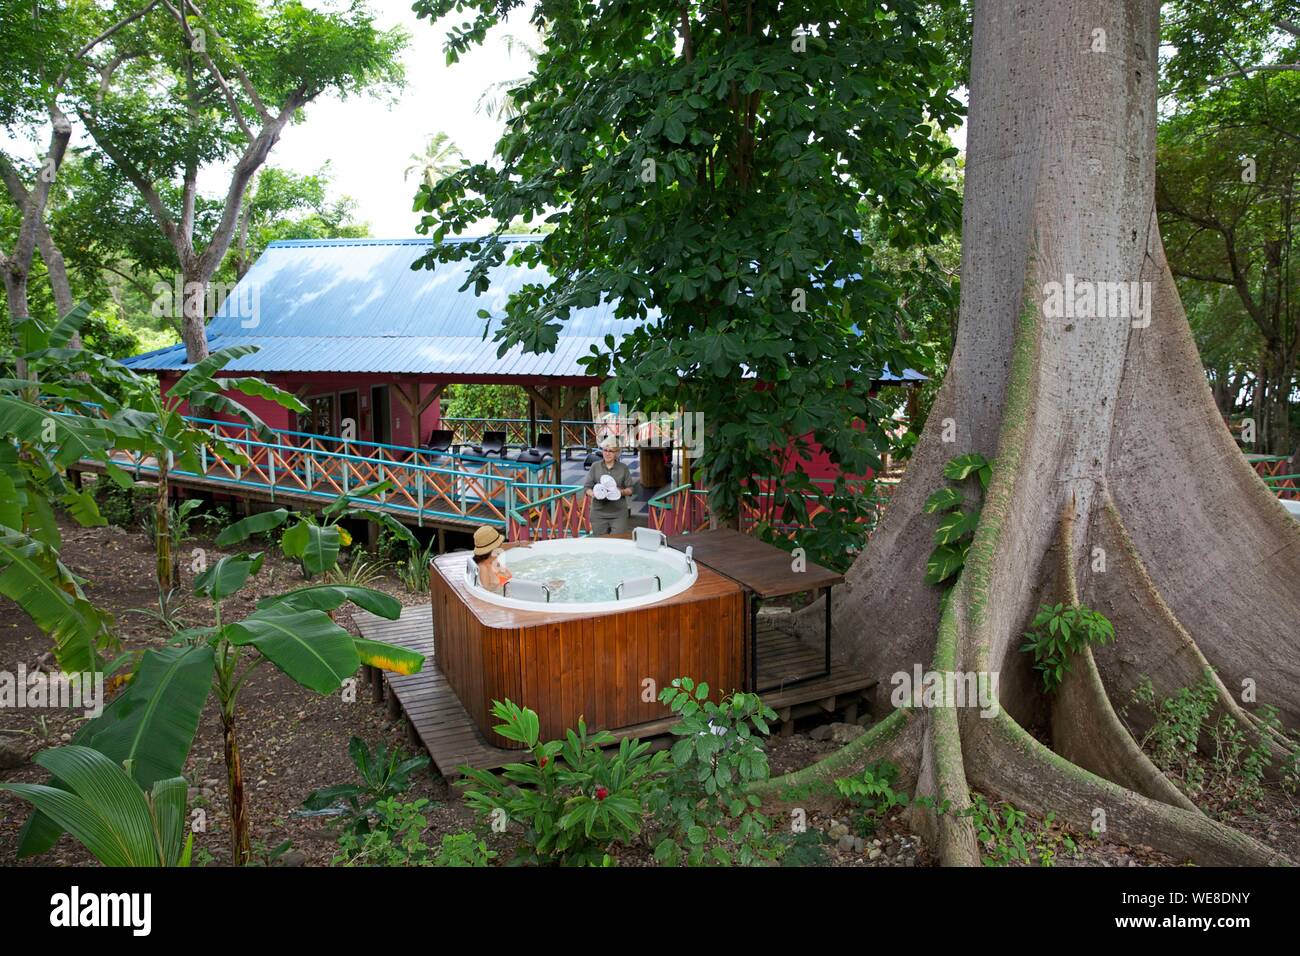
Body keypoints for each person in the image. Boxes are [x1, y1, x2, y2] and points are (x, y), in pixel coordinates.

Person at [584, 436, 634, 534]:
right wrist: (594, 494)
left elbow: (631, 489)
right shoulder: (595, 466)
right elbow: (587, 487)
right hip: (598, 513)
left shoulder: (623, 468)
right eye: (605, 450)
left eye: (611, 451)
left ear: (617, 453)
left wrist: (620, 492)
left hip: (619, 513)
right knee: (600, 544)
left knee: (618, 543)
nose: (607, 453)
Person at [471, 525, 512, 594]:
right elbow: (486, 593)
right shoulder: (483, 568)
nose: (501, 545)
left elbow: (508, 577)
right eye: (499, 544)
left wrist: (518, 544)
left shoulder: (493, 560)